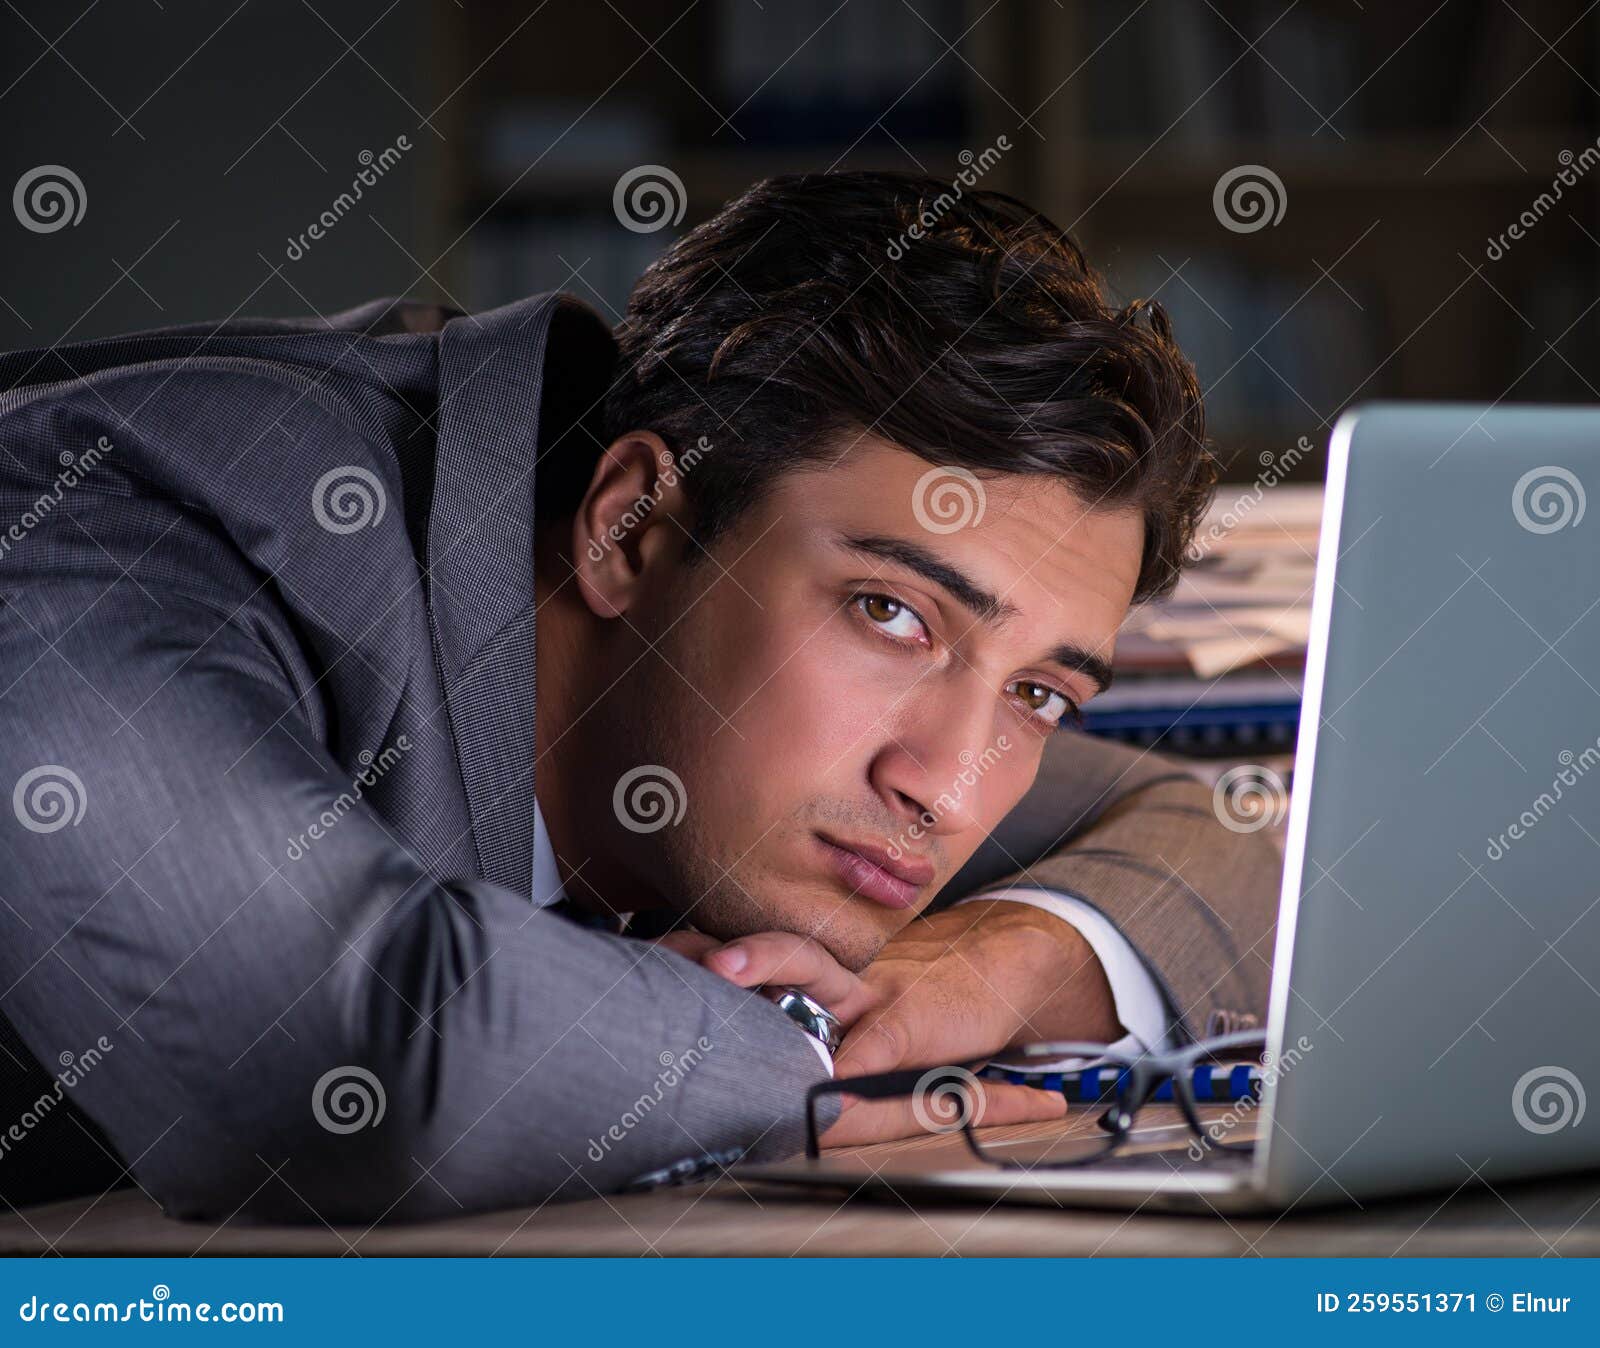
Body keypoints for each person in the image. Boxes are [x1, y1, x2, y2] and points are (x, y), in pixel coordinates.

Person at [0, 173, 1279, 1222]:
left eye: (1040, 691)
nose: (946, 788)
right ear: (631, 528)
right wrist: (806, 1041)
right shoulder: (116, 518)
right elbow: (327, 1054)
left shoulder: (785, 754)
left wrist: (986, 970)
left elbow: (1238, 830)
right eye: (890, 614)